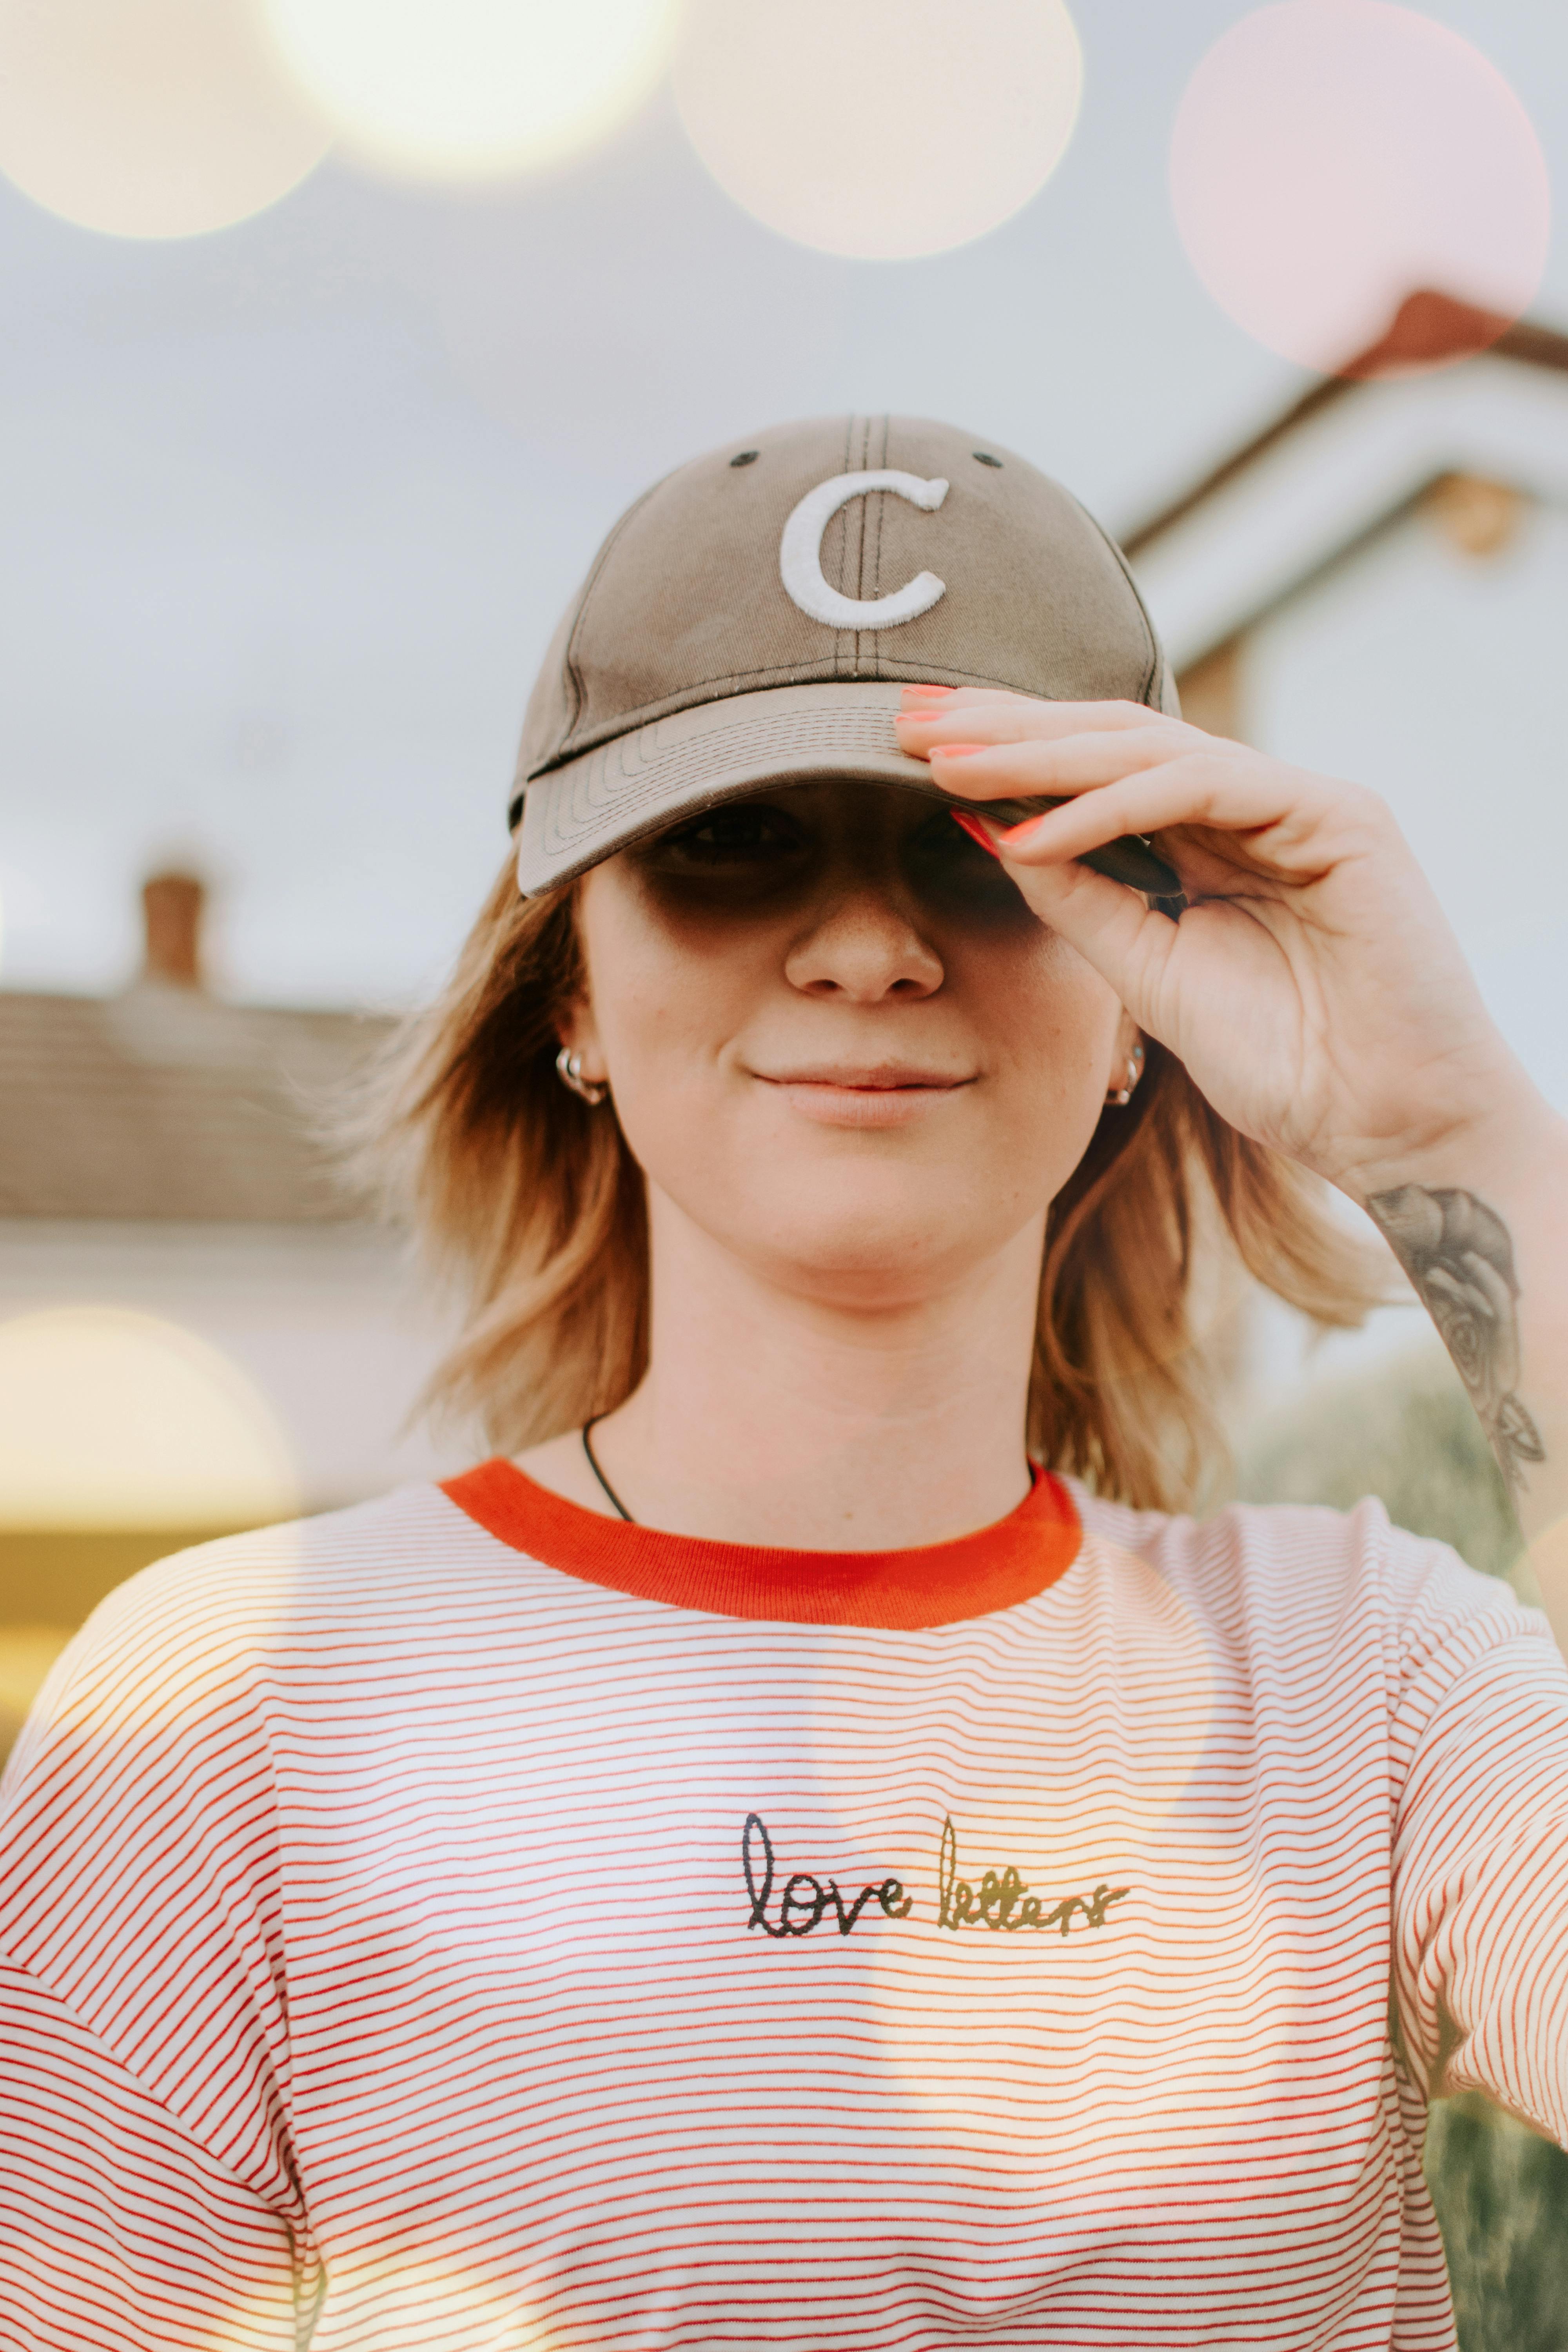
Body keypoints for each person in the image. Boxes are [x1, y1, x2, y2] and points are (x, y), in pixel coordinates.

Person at [3, 415, 1565, 2350]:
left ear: (1135, 1016)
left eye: (992, 848)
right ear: (566, 981)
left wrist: (1463, 1138)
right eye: (730, 843)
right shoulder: (229, 1716)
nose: (862, 946)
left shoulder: (1371, 1682)